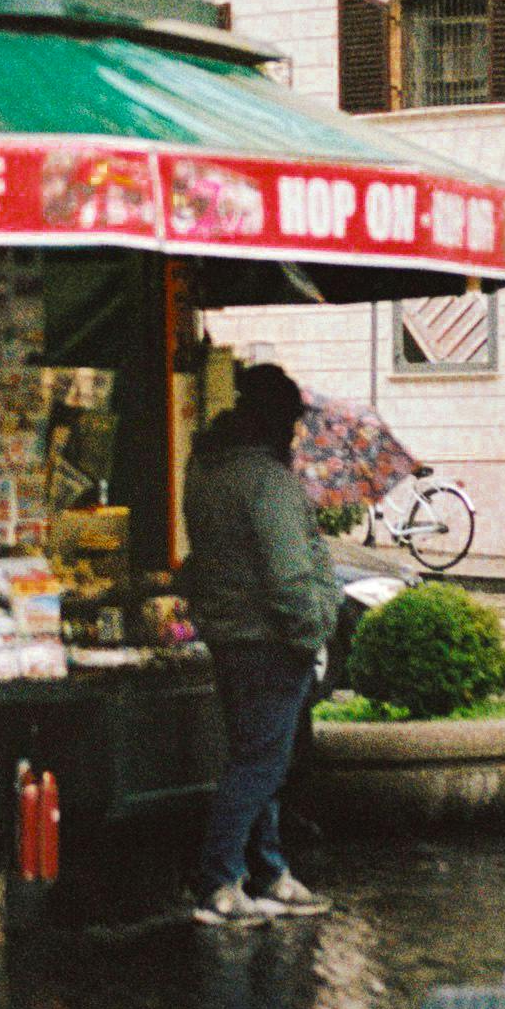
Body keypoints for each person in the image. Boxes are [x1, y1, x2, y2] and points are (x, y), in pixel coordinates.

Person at [178, 363, 338, 927]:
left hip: (230, 636)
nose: (295, 433)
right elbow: (289, 575)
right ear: (275, 419)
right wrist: (314, 630)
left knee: (257, 758)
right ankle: (219, 882)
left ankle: (268, 872)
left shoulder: (206, 469)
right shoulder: (268, 482)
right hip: (271, 641)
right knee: (259, 765)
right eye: (292, 422)